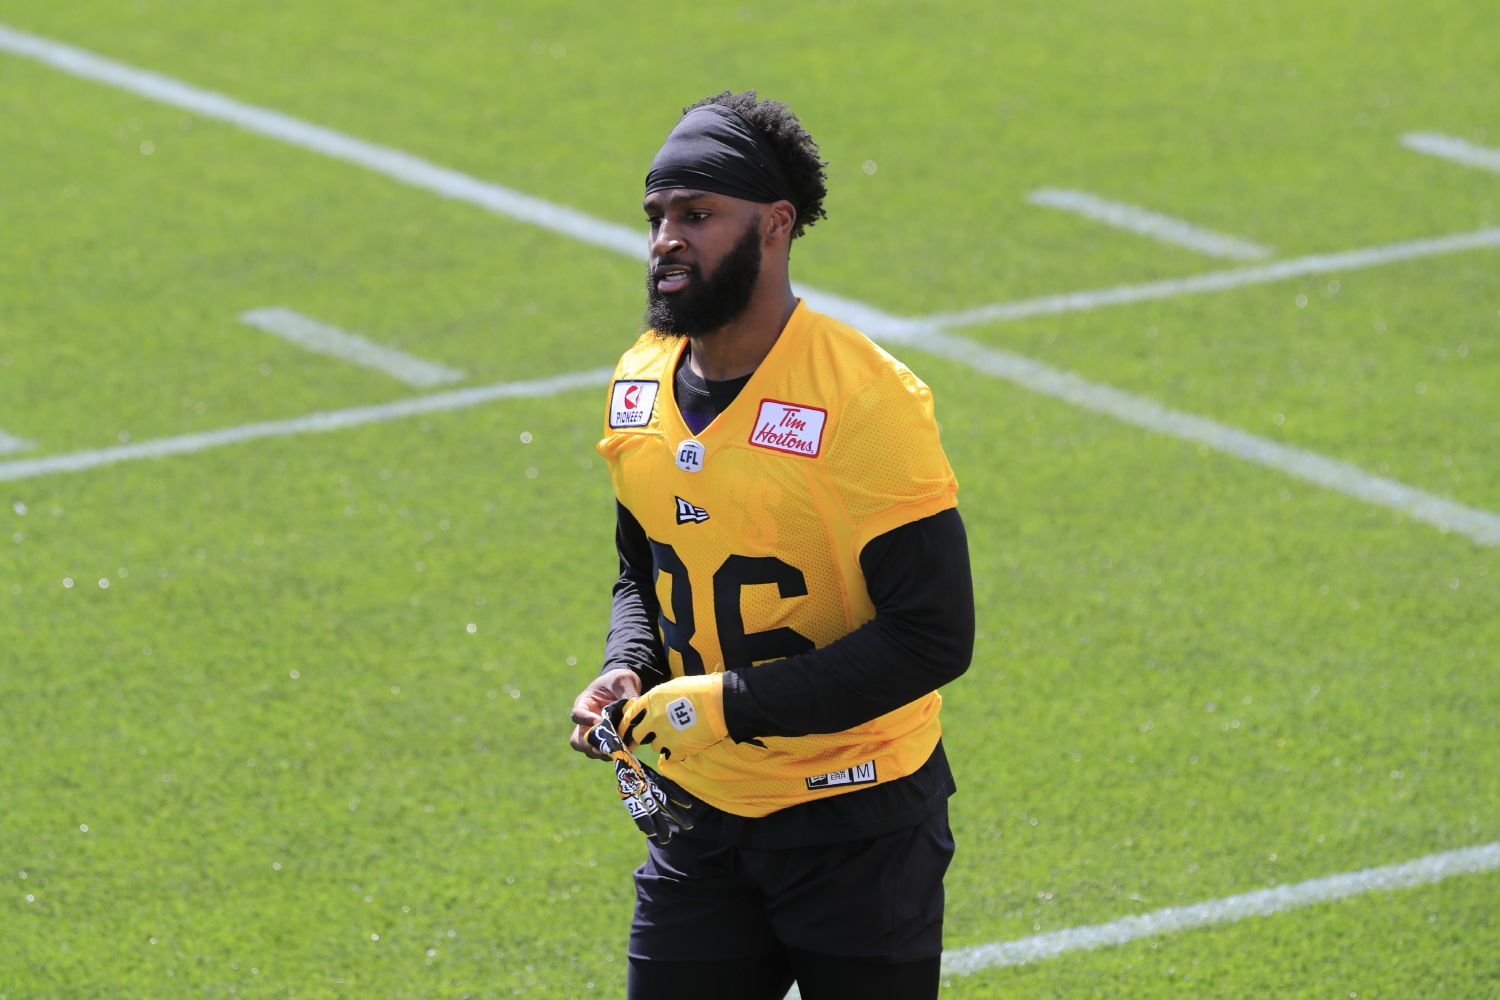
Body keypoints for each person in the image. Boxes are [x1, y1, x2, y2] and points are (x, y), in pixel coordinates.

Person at [567, 90, 974, 1000]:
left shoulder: (865, 401)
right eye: (657, 217)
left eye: (697, 215)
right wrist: (630, 664)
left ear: (777, 225)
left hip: (858, 824)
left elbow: (933, 637)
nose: (666, 239)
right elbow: (644, 564)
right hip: (700, 817)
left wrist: (725, 704)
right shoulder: (639, 381)